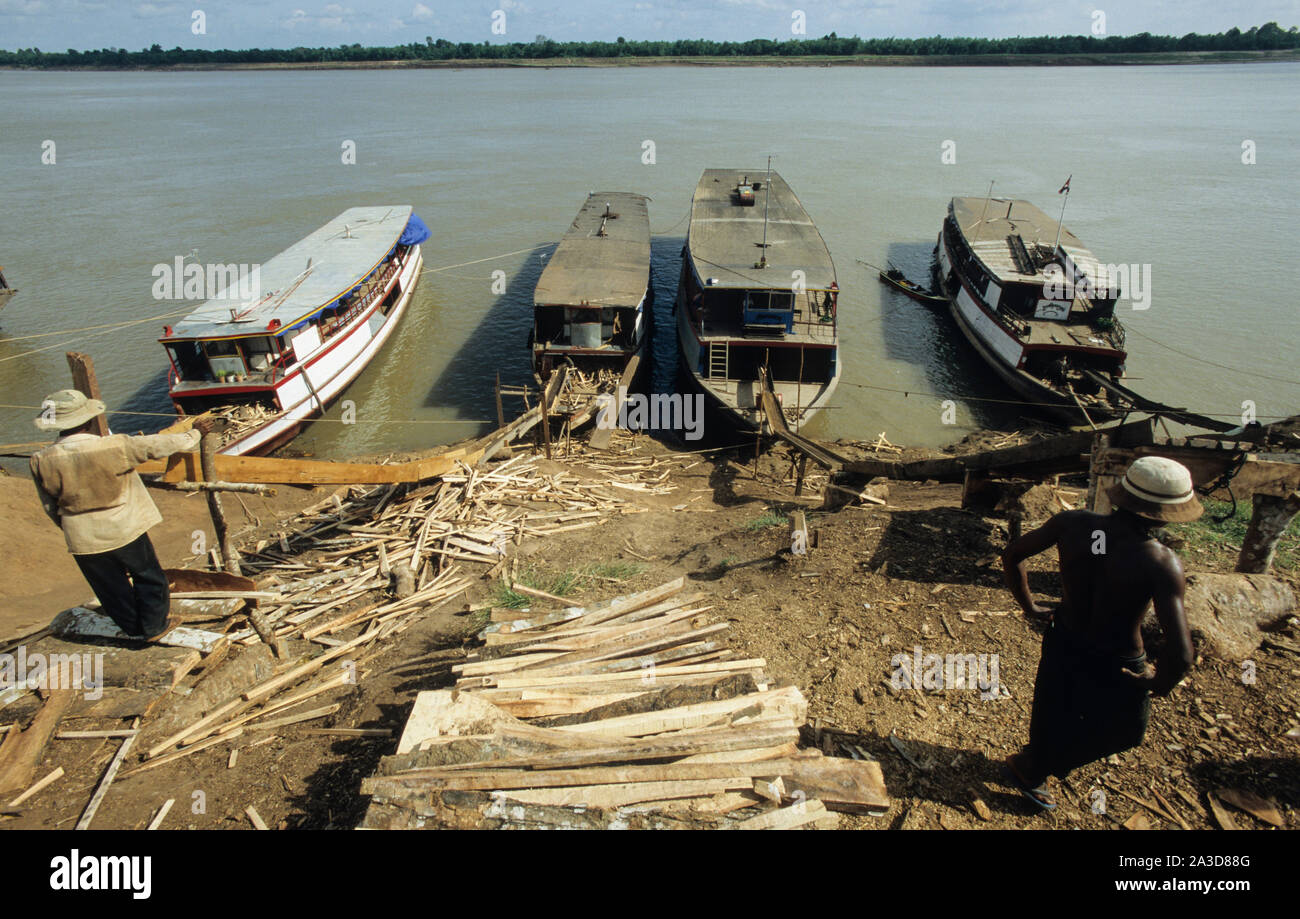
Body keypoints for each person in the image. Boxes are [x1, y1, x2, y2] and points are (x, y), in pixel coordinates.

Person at [999, 456, 1201, 810]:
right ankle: (1036, 765)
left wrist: (1029, 606)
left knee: (1052, 706)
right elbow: (1182, 654)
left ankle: (1037, 761)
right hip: (1117, 658)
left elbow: (1014, 553)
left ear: (1123, 495)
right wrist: (1159, 682)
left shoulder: (1073, 524)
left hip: (1065, 636)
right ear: (1166, 513)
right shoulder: (1160, 561)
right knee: (1126, 732)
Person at [29, 390, 207, 642]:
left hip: (82, 537)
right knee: (148, 576)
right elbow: (160, 445)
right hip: (124, 526)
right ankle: (154, 627)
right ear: (90, 420)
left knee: (110, 588)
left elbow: (49, 506)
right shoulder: (115, 446)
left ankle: (132, 628)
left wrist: (70, 527)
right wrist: (195, 432)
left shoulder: (41, 460)